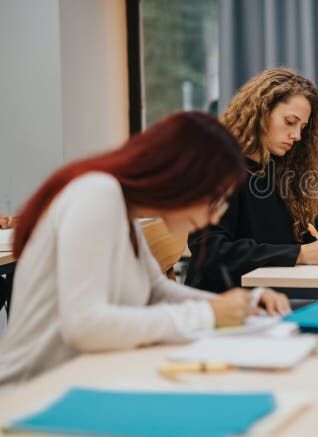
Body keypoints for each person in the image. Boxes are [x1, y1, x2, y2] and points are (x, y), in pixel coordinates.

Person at [0, 112, 290, 386]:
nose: (215, 217)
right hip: (30, 393)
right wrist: (210, 314)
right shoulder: (97, 194)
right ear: (183, 178)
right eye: (215, 200)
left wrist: (243, 307)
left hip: (80, 381)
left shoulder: (125, 211)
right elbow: (84, 326)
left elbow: (156, 293)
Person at [186, 67, 318, 292]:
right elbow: (211, 252)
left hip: (266, 295)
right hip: (223, 304)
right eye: (289, 122)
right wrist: (300, 254)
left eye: (302, 127)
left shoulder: (274, 167)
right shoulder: (219, 168)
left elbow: (312, 220)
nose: (297, 136)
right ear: (261, 111)